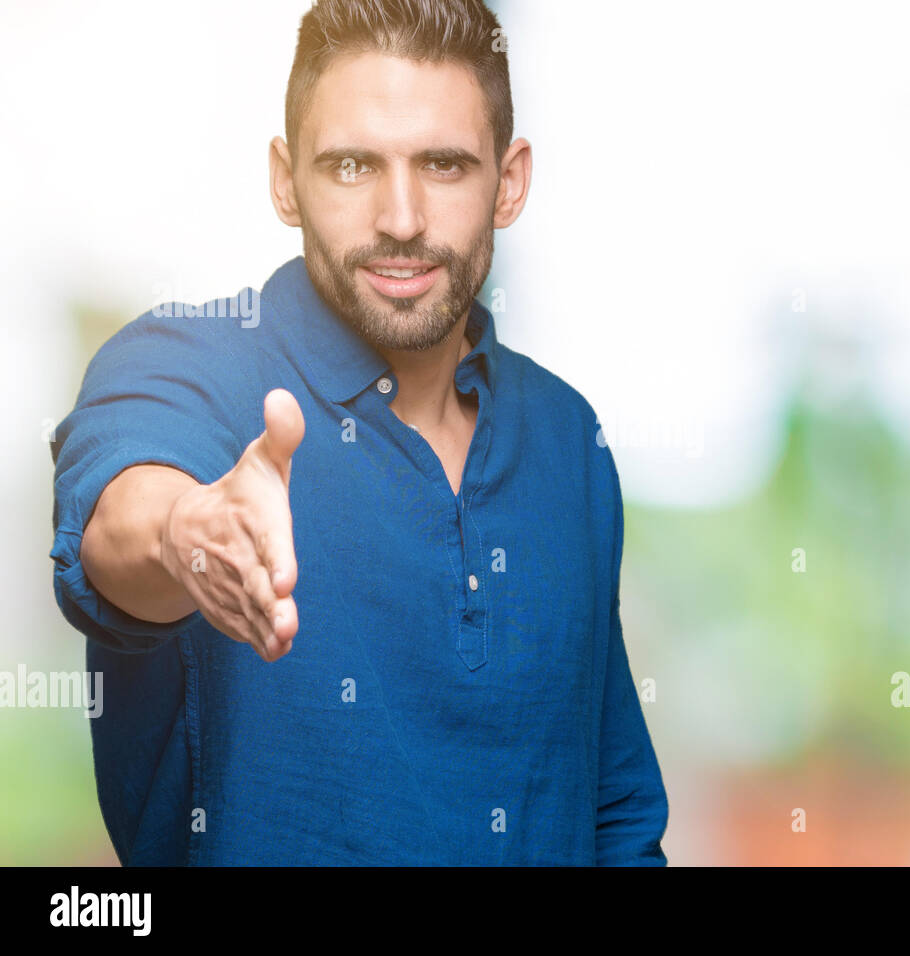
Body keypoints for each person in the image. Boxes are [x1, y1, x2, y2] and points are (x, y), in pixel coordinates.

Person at [48, 0, 668, 866]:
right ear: (285, 179)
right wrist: (190, 533)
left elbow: (614, 811)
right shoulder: (184, 365)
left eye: (445, 165)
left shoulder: (568, 437)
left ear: (511, 180)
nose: (402, 218)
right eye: (351, 166)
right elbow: (117, 528)